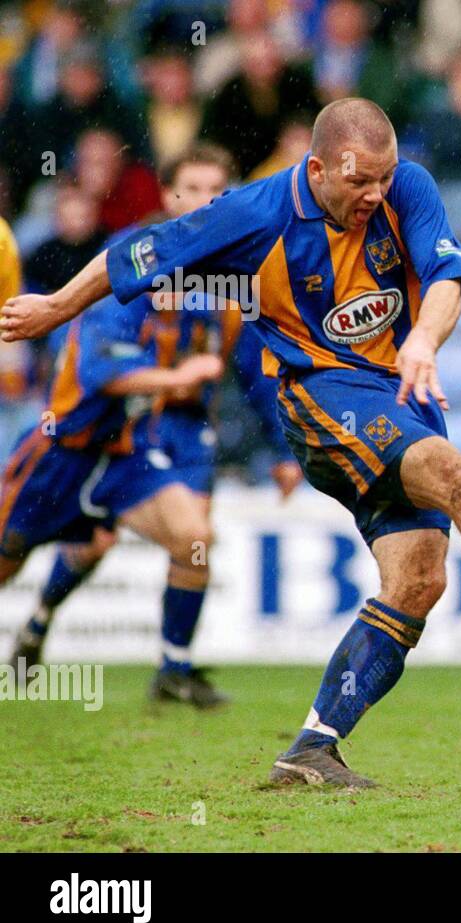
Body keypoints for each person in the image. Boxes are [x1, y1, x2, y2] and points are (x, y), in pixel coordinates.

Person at [0, 98, 461, 789]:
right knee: (458, 476)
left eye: (383, 177)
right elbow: (133, 255)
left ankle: (312, 749)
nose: (375, 194)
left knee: (420, 577)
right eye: (359, 182)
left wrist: (421, 339)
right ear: (317, 169)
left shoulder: (406, 186)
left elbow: (447, 279)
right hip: (322, 395)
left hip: (401, 394)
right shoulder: (254, 214)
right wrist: (54, 307)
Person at [7, 144, 302, 706]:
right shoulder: (132, 258)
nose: (207, 200)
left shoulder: (236, 275)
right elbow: (99, 362)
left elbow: (255, 369)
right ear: (168, 196)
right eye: (193, 188)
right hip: (89, 434)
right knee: (74, 544)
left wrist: (284, 449)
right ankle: (40, 621)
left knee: (194, 540)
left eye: (220, 189)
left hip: (175, 436)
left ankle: (173, 668)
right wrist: (176, 377)